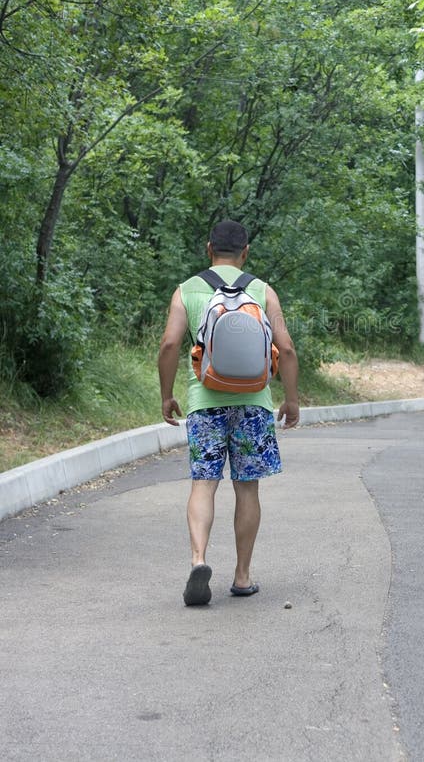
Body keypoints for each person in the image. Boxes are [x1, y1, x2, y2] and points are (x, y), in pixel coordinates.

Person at [158, 220, 299, 606]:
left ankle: (199, 559)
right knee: (247, 487)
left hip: (204, 402)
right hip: (253, 402)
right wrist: (290, 398)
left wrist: (167, 395)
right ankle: (241, 576)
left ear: (208, 249)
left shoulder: (187, 290)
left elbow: (170, 343)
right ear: (245, 252)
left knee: (203, 482)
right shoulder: (261, 290)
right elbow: (284, 349)